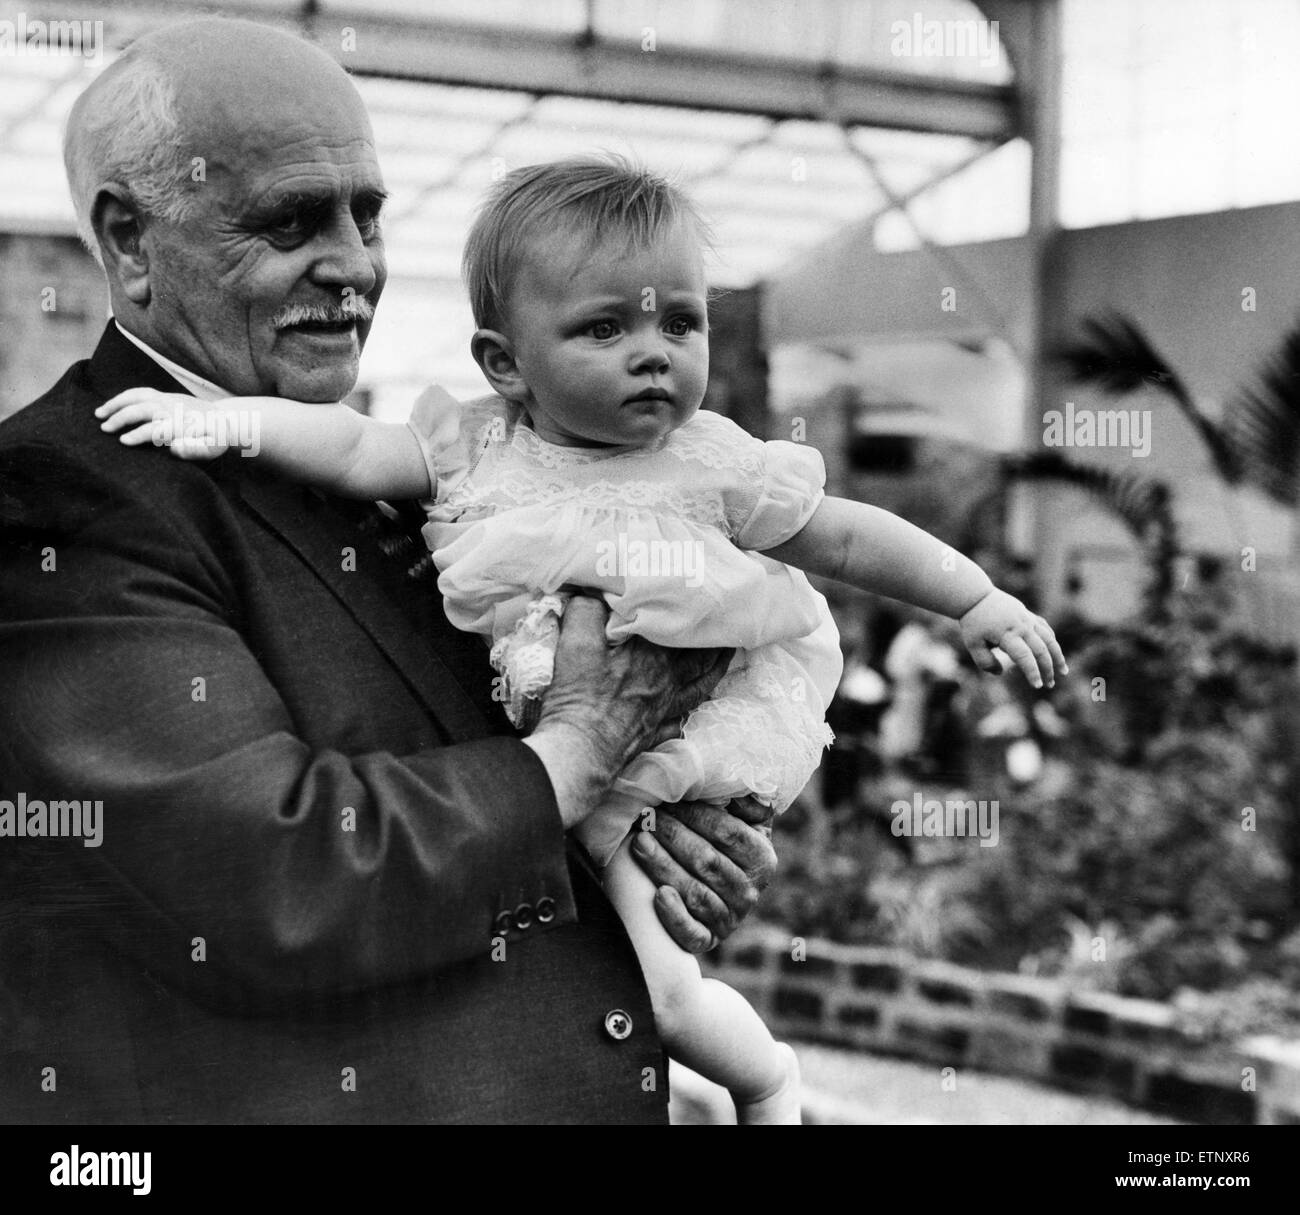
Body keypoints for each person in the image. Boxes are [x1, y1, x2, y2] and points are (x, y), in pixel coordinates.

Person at [98, 158, 1068, 1123]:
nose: (652, 353)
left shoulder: (714, 463)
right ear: (504, 363)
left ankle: (766, 1085)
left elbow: (847, 534)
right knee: (600, 958)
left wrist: (977, 600)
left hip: (679, 748)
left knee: (656, 983)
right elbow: (346, 445)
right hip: (540, 769)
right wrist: (219, 423)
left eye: (678, 322)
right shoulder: (470, 448)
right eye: (604, 328)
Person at [0, 19, 778, 1126]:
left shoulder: (383, 467)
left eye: (366, 215)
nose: (355, 265)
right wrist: (580, 752)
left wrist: (665, 826)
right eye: (289, 222)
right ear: (131, 244)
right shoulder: (55, 492)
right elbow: (274, 877)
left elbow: (505, 752)